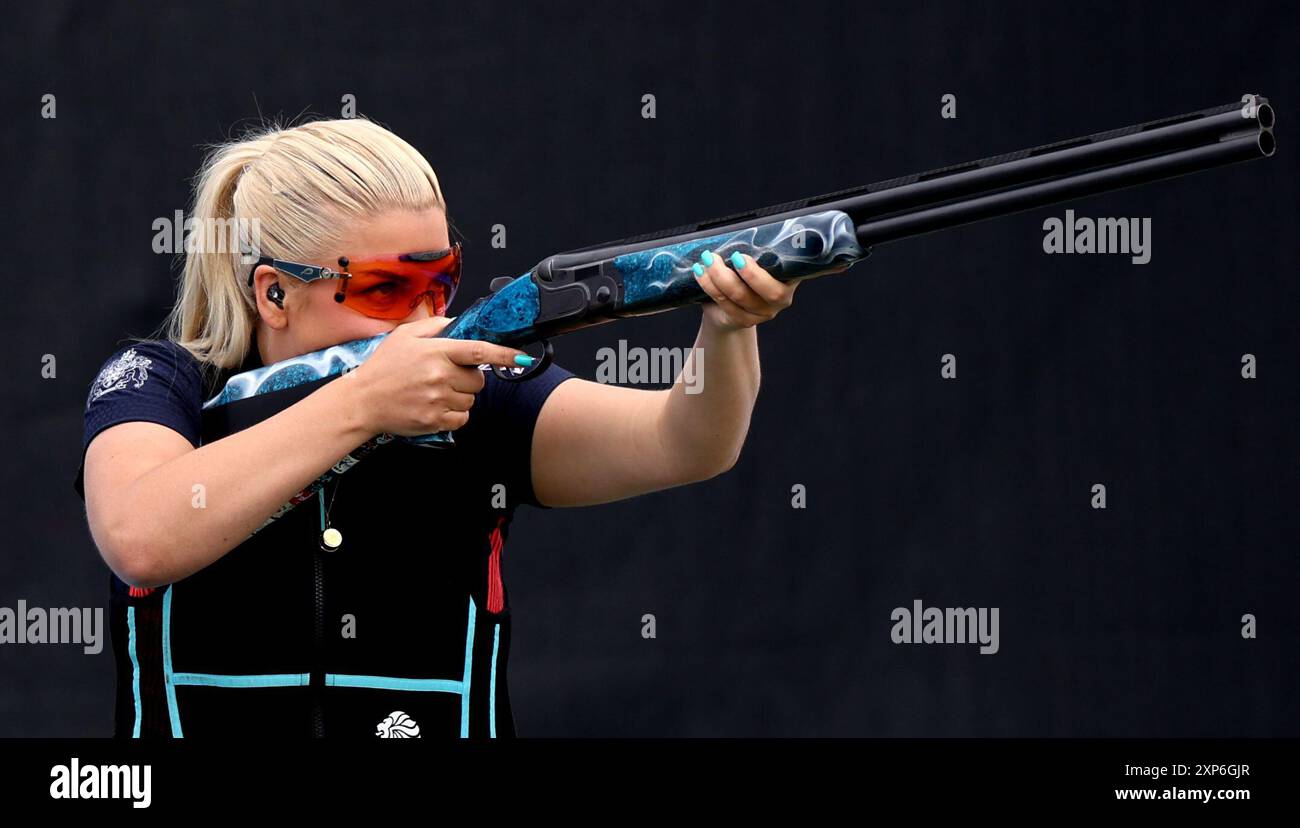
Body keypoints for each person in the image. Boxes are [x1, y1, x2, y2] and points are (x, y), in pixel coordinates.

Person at [74, 117, 802, 738]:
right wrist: (365, 404)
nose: (427, 321)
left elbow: (686, 443)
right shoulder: (162, 383)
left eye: (441, 284)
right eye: (385, 289)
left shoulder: (473, 395)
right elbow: (143, 535)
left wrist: (728, 327)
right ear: (273, 293)